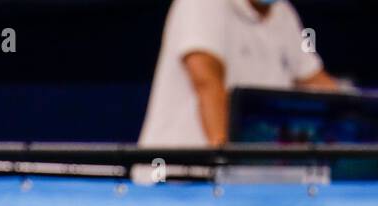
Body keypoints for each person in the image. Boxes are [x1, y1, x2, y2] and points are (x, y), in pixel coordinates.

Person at [139, 0, 339, 148]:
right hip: (178, 178)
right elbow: (207, 83)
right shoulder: (201, 4)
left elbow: (315, 81)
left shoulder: (283, 12)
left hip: (249, 180)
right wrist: (225, 160)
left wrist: (354, 115)